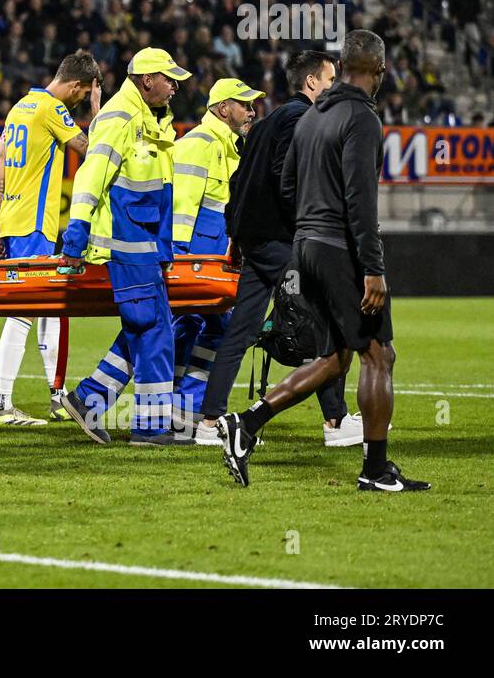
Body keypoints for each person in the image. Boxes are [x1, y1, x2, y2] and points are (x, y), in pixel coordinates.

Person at [220, 30, 431, 492]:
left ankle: (247, 423)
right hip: (341, 249)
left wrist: (310, 228)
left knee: (335, 358)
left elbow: (289, 185)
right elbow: (361, 199)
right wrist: (372, 268)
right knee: (379, 354)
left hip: (306, 246)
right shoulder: (362, 117)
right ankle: (375, 470)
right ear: (377, 69)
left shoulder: (314, 115)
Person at [200, 51, 361, 446]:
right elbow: (286, 176)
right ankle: (336, 423)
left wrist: (236, 233)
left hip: (256, 240)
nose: (335, 86)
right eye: (330, 79)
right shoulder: (300, 118)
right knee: (322, 322)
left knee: (242, 330)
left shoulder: (267, 122)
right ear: (312, 83)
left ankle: (209, 421)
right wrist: (309, 223)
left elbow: (239, 182)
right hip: (280, 238)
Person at [57, 47, 190, 446]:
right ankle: (149, 428)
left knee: (148, 326)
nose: (174, 87)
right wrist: (75, 235)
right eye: (169, 79)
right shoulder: (121, 117)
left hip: (145, 247)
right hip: (128, 247)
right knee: (152, 330)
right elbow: (90, 177)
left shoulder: (148, 121)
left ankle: (89, 399)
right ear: (147, 80)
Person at [0, 51, 101, 426]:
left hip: (16, 220)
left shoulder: (20, 106)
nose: (81, 101)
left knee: (51, 308)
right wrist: (99, 113)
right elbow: (92, 152)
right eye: (83, 95)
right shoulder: (53, 108)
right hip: (36, 223)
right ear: (73, 85)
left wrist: (4, 216)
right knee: (24, 310)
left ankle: (57, 396)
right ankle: (1, 403)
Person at [167, 78, 263, 443]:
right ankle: (180, 414)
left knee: (208, 329)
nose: (251, 110)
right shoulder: (199, 143)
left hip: (214, 259)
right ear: (223, 108)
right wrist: (178, 259)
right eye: (244, 104)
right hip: (195, 260)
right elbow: (181, 207)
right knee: (192, 328)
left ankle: (182, 414)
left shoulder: (231, 147)